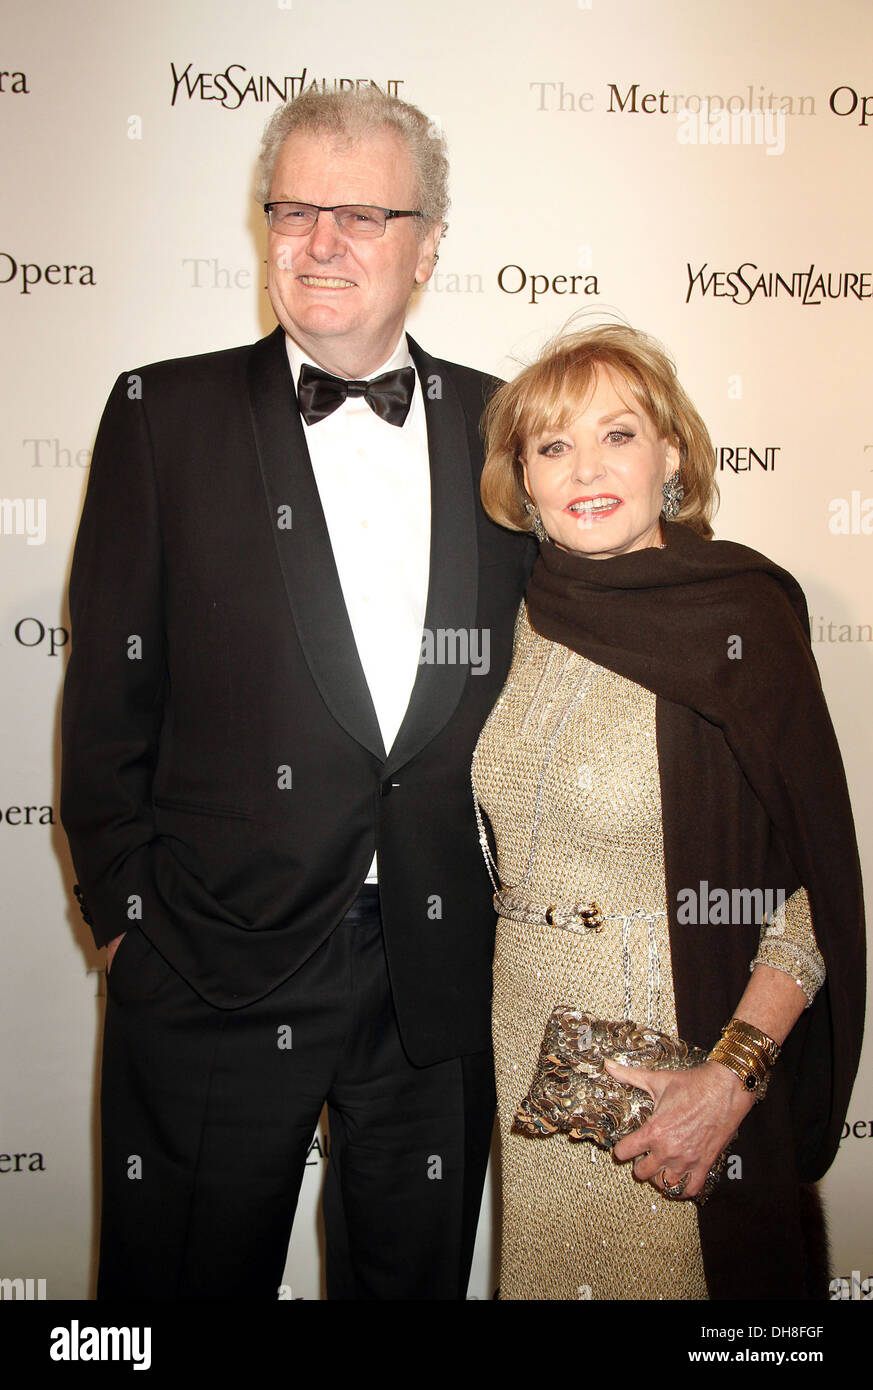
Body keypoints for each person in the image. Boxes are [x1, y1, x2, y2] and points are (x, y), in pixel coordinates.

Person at [61, 86, 532, 1300]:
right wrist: (129, 922)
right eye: (295, 208)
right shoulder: (161, 416)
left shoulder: (511, 427)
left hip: (438, 975)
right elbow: (111, 694)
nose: (321, 242)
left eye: (363, 213)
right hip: (212, 962)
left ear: (429, 244)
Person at [473, 322, 865, 1300]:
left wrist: (730, 1074)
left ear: (672, 456)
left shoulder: (737, 617)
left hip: (673, 1058)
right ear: (524, 478)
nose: (586, 469)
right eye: (554, 445)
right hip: (529, 1051)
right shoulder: (521, 614)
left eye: (618, 434)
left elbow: (815, 887)